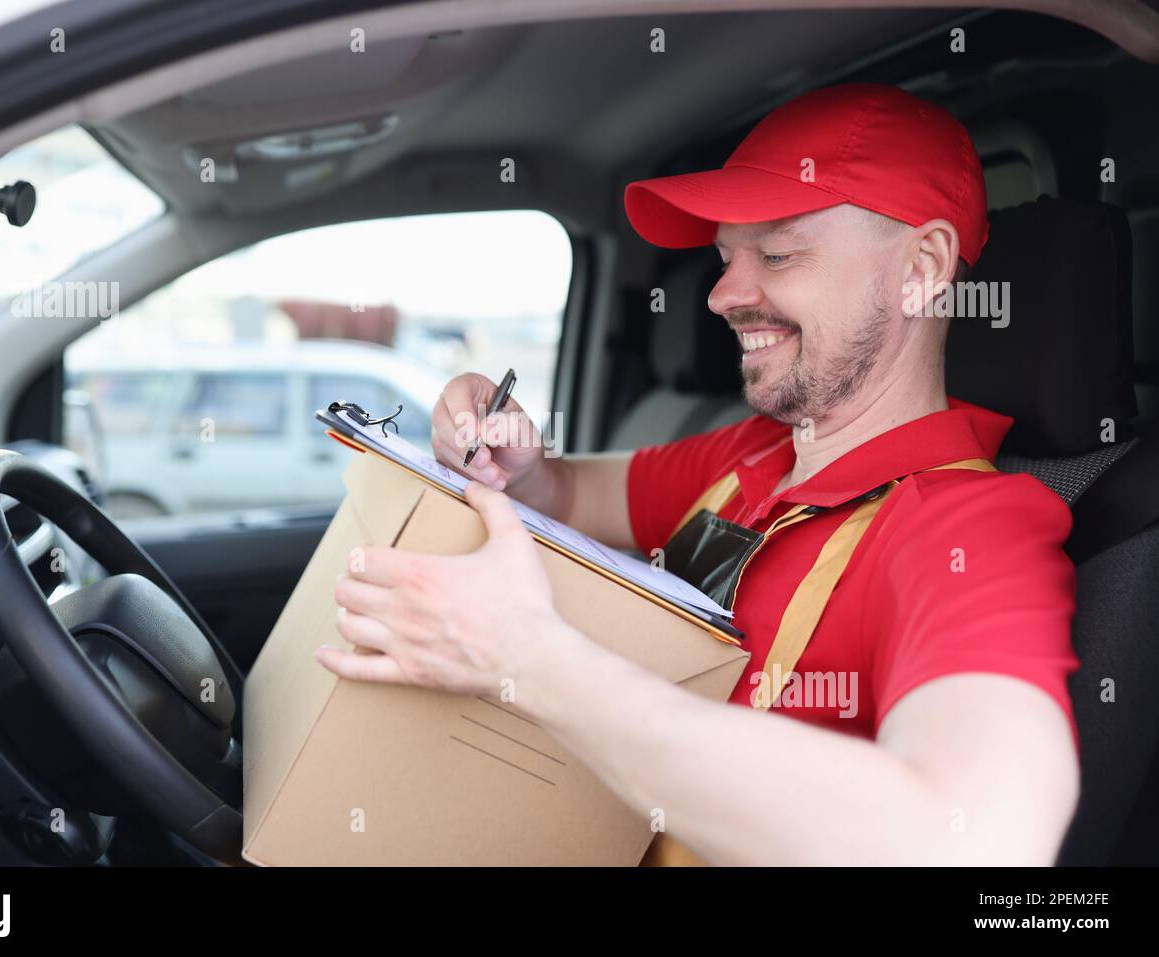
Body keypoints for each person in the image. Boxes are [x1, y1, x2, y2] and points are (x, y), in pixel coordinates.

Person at [316, 84, 1080, 865]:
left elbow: (976, 838)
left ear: (924, 267)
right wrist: (519, 461)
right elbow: (570, 495)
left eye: (778, 254)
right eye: (725, 258)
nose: (722, 295)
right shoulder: (751, 452)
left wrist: (527, 659)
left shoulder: (966, 528)